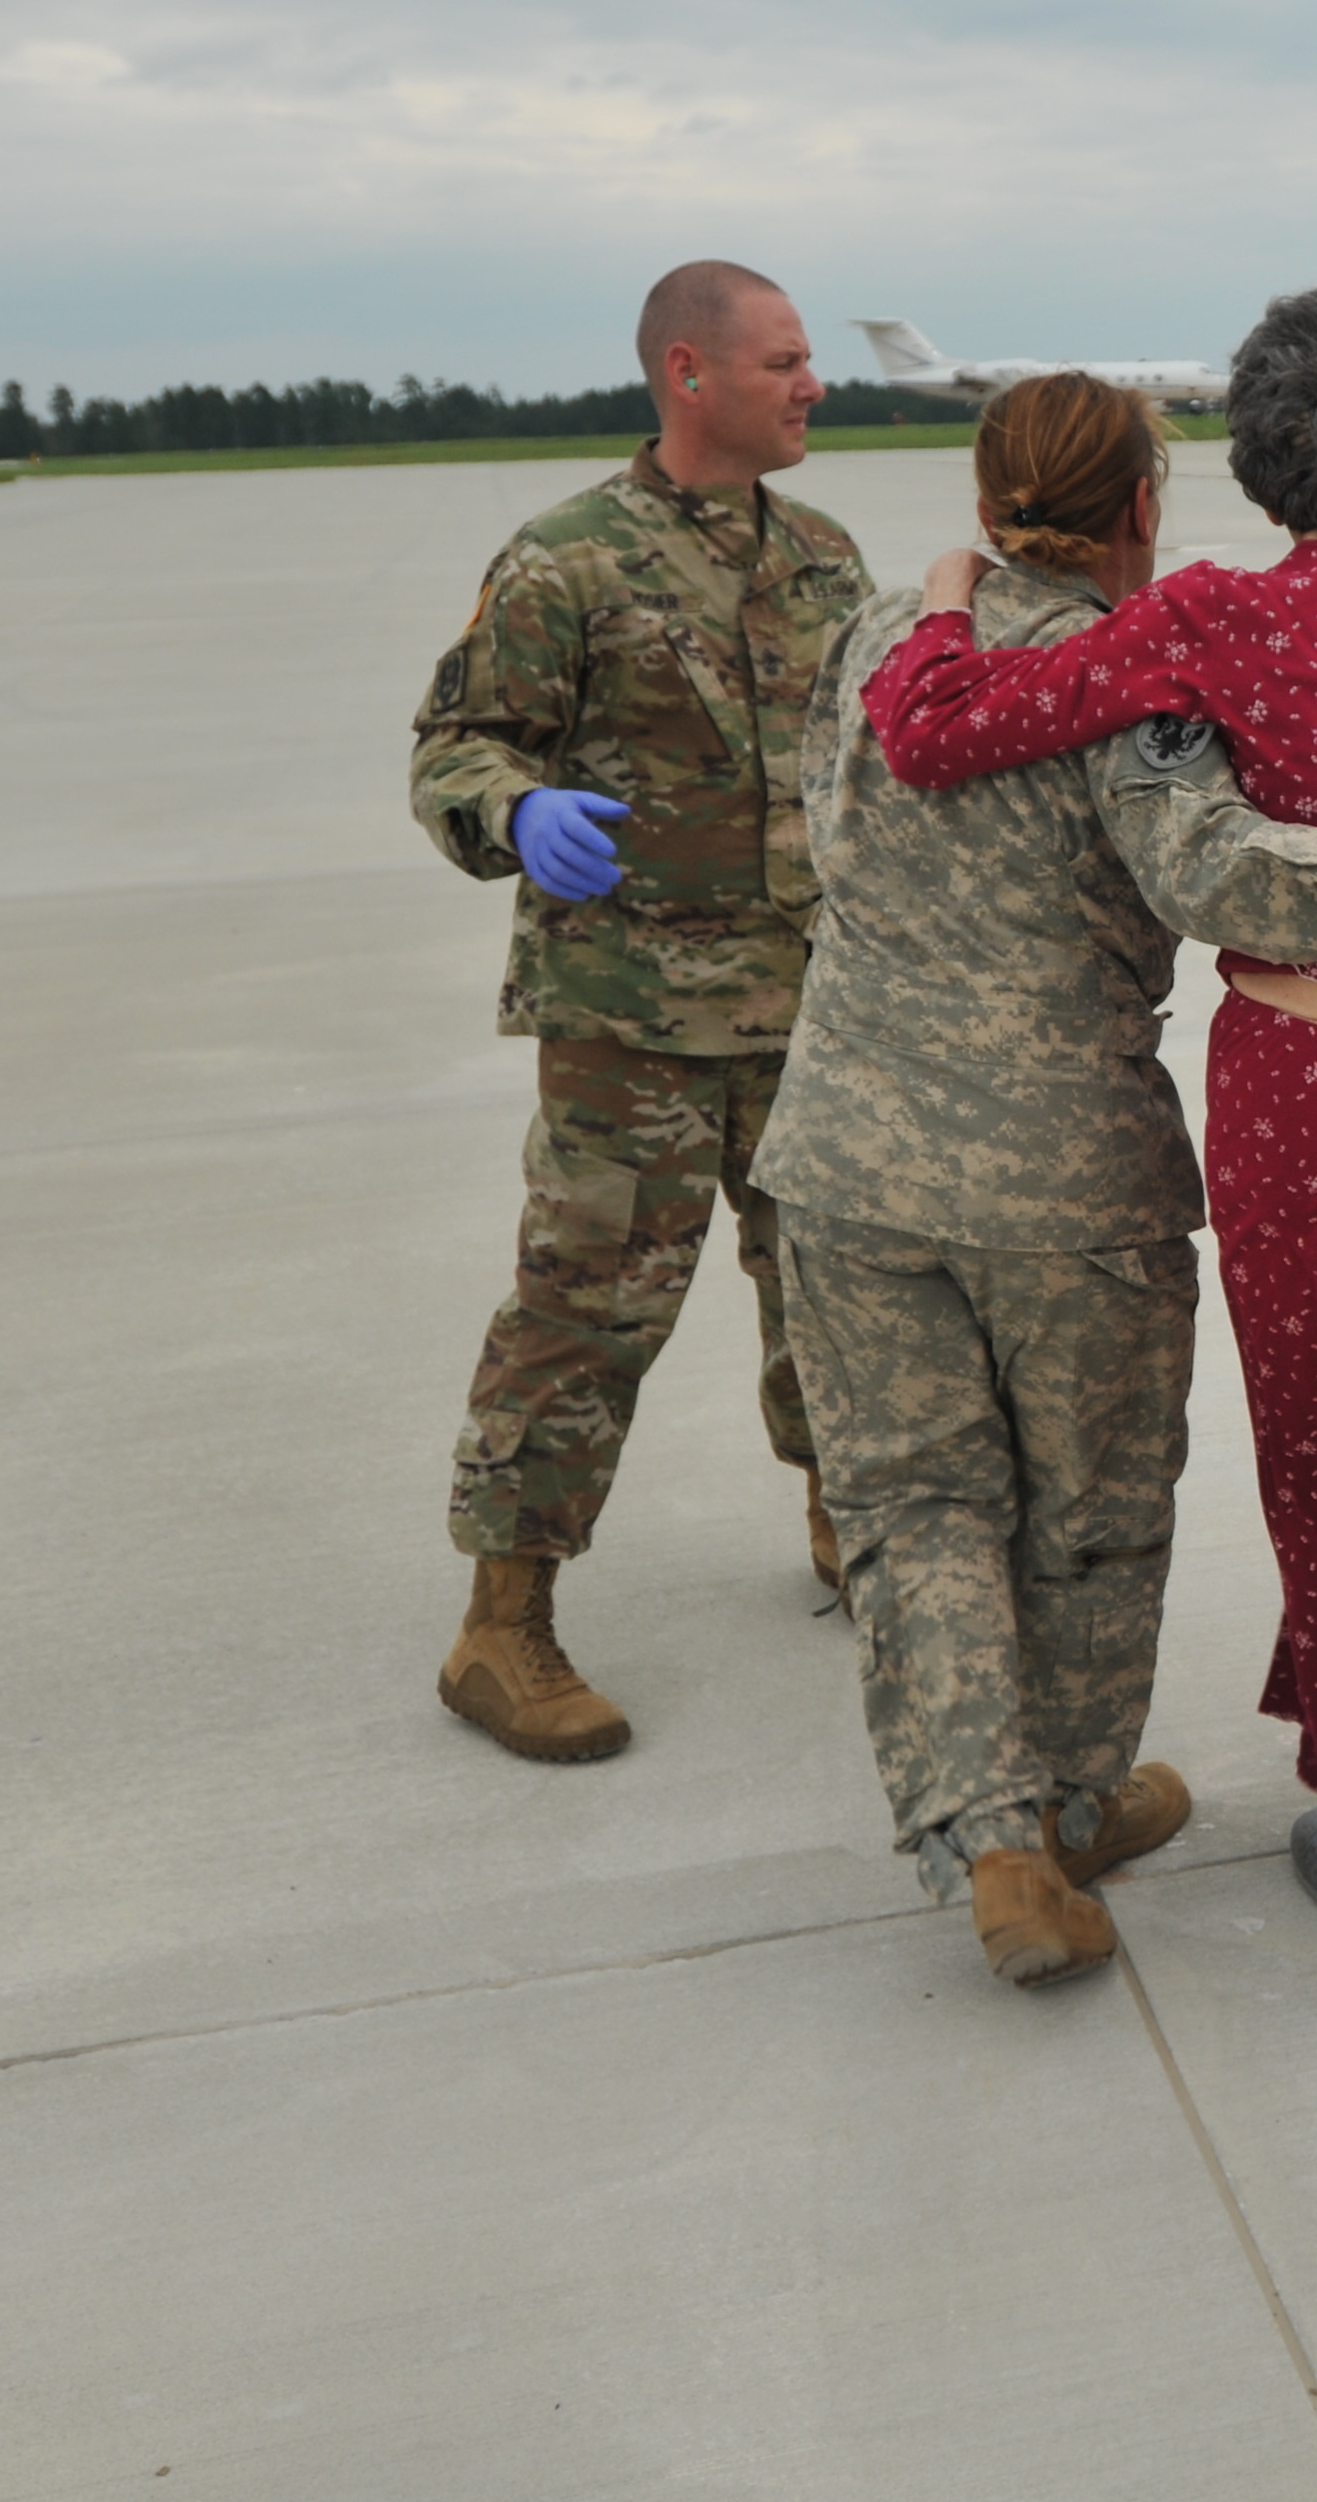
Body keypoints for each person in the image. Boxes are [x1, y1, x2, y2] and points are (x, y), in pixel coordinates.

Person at [862, 278, 1317, 2067]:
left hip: (1302, 1113)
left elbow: (938, 728)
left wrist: (952, 590)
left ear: (1256, 460)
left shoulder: (1203, 619)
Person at [408, 260, 866, 1762]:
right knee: (586, 1314)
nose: (814, 385)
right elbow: (455, 747)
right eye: (787, 361)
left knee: (844, 1297)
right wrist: (517, 807)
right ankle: (504, 1625)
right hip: (630, 1023)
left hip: (808, 1008)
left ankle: (849, 1524)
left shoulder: (822, 558)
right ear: (692, 373)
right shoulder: (567, 564)